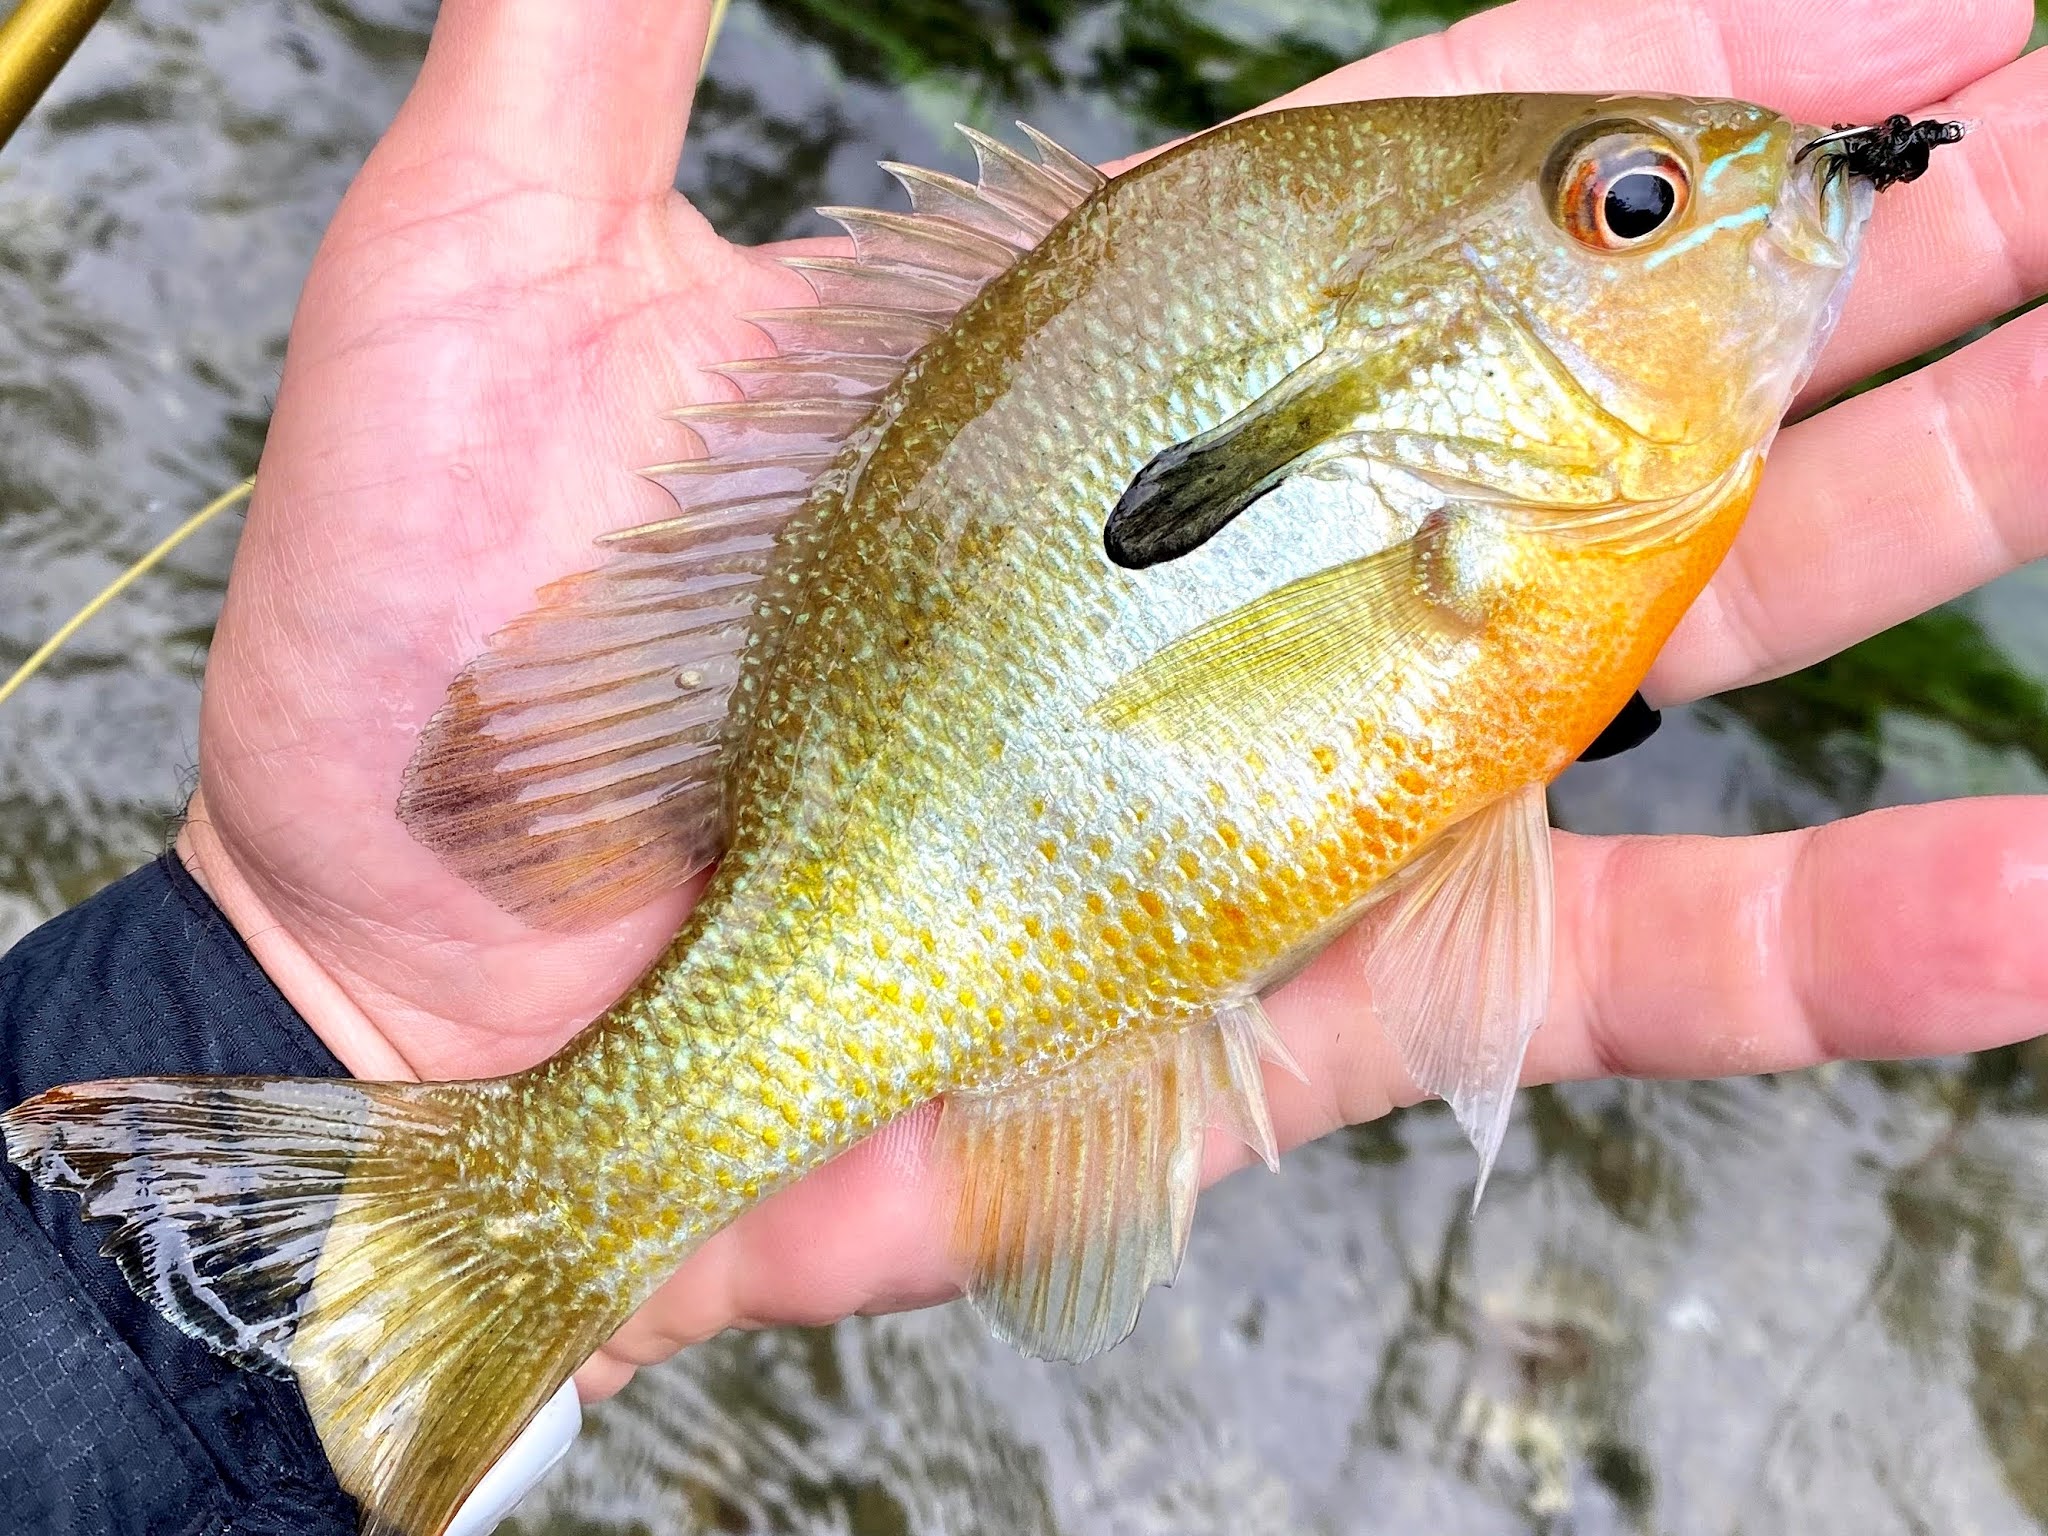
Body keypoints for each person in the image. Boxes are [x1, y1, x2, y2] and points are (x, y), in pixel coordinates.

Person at [4, 0, 2045, 1528]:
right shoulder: (1527, 519)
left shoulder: (1530, 495)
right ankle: (500, 1238)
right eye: (1631, 206)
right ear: (1426, 336)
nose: (1735, 201)